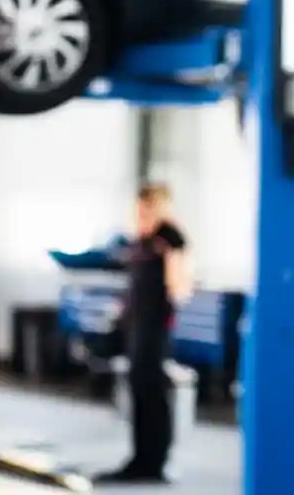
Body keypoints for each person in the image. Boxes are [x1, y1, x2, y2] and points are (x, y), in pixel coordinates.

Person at [95, 182, 192, 485]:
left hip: (155, 328)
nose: (141, 214)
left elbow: (180, 288)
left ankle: (155, 462)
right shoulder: (141, 241)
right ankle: (140, 459)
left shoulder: (170, 239)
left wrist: (174, 271)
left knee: (153, 392)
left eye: (148, 208)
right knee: (138, 389)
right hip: (136, 327)